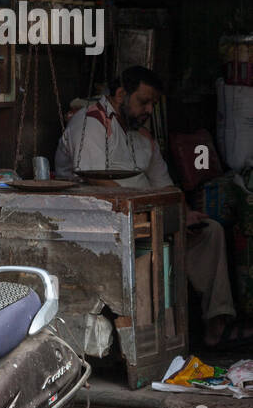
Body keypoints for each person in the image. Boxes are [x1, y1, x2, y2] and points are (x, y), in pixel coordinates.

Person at [54, 65, 252, 349]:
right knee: (158, 243)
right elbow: (97, 181)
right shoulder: (91, 123)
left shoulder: (140, 134)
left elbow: (165, 184)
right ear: (121, 94)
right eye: (143, 102)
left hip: (152, 217)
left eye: (152, 104)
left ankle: (215, 325)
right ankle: (156, 339)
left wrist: (183, 214)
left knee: (209, 233)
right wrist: (155, 215)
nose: (148, 109)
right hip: (106, 225)